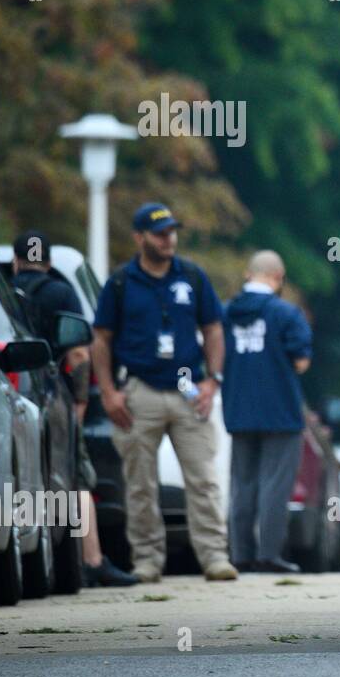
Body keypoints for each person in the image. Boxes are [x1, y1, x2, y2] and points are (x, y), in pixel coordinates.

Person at [90, 203, 237, 583]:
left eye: (171, 231)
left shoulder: (192, 276)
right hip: (139, 388)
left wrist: (213, 380)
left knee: (203, 477)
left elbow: (215, 329)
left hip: (190, 387)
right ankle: (147, 560)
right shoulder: (121, 283)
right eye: (159, 233)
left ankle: (215, 556)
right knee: (140, 483)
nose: (168, 239)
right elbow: (101, 339)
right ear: (139, 237)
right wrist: (108, 392)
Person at [11, 231, 137, 587]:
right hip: (51, 394)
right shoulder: (61, 292)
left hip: (12, 390)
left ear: (17, 261)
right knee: (77, 478)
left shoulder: (4, 294)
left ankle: (29, 557)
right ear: (48, 262)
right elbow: (81, 353)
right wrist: (79, 403)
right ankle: (92, 560)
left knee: (24, 478)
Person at [222, 250, 313, 574]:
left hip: (238, 409)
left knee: (242, 484)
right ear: (278, 277)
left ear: (249, 274)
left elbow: (212, 356)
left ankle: (241, 554)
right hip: (280, 412)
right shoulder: (287, 314)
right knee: (275, 484)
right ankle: (269, 554)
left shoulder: (224, 313)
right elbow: (300, 362)